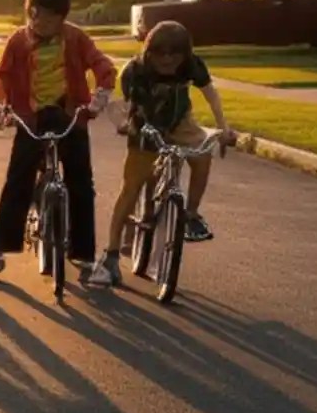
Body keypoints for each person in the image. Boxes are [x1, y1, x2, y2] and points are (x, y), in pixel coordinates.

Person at [0, 0, 116, 286]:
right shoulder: (18, 41)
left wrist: (100, 95)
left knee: (81, 185)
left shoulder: (76, 39)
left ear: (62, 19)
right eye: (36, 16)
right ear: (30, 11)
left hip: (71, 118)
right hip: (31, 119)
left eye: (50, 19)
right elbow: (3, 77)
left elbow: (103, 66)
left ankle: (86, 259)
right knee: (17, 183)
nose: (41, 24)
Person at [100, 20, 236, 283]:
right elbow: (120, 106)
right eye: (160, 53)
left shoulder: (192, 65)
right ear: (148, 51)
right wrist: (124, 125)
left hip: (179, 120)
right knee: (132, 187)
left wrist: (224, 129)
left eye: (175, 54)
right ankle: (111, 253)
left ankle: (191, 214)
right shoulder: (134, 71)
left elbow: (211, 95)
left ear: (186, 54)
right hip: (145, 123)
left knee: (202, 153)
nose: (167, 60)